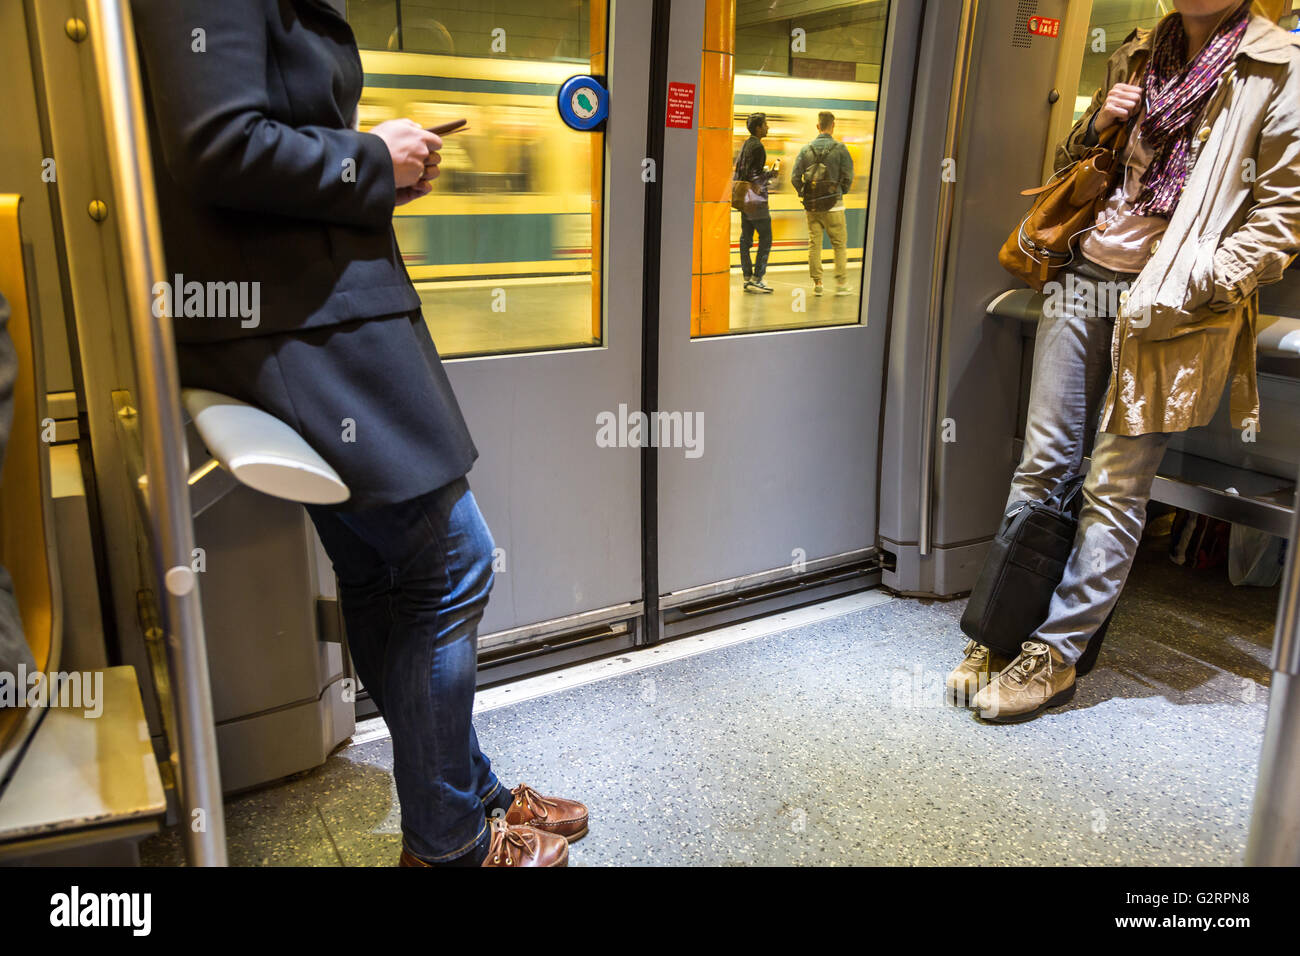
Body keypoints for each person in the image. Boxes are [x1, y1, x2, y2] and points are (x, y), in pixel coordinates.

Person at [131, 0, 587, 866]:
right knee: (451, 565)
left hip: (321, 317)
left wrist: (371, 170)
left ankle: (469, 792)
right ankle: (449, 841)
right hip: (301, 328)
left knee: (383, 576)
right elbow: (217, 143)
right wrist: (370, 155)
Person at [948, 0, 1300, 722]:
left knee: (1116, 481)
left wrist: (1203, 281)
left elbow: (1281, 218)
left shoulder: (1280, 67)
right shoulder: (1141, 51)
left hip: (1172, 302)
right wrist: (1098, 123)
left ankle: (1058, 653)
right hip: (1084, 280)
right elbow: (1073, 164)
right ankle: (1003, 627)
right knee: (1043, 462)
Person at [791, 111, 854, 296]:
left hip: (812, 207)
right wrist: (841, 192)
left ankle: (818, 284)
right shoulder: (840, 148)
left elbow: (794, 177)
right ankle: (841, 283)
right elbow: (848, 175)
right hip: (834, 205)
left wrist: (806, 193)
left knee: (814, 243)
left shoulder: (805, 150)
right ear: (832, 126)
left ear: (818, 126)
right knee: (839, 244)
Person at [735, 112, 776, 294]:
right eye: (765, 124)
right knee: (766, 238)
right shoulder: (758, 146)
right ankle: (757, 277)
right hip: (756, 200)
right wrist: (771, 174)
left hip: (744, 199)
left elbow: (742, 172)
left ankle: (747, 276)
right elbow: (754, 176)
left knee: (746, 239)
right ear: (758, 127)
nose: (768, 127)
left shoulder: (746, 144)